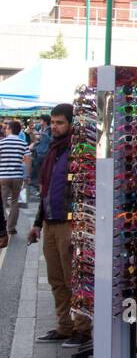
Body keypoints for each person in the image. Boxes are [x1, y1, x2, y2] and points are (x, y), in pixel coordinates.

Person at [28, 104, 88, 345]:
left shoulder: (78, 152)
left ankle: (83, 329)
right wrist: (37, 224)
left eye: (60, 122)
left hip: (69, 224)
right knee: (55, 279)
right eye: (52, 122)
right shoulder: (52, 151)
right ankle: (65, 326)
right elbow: (46, 191)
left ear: (71, 124)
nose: (54, 126)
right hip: (50, 224)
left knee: (72, 279)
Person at [0, 120, 30, 236]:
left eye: (6, 128)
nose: (5, 130)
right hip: (17, 177)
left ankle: (2, 226)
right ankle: (11, 227)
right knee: (15, 202)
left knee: (2, 202)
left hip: (2, 177)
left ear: (10, 129)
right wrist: (26, 175)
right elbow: (28, 159)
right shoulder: (23, 143)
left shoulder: (2, 143)